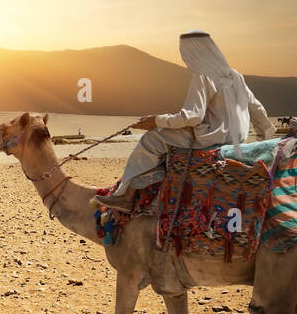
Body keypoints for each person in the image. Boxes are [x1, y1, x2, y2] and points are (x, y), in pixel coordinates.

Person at [93, 30, 276, 212]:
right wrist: (265, 136)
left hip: (209, 139)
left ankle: (126, 196)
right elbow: (256, 107)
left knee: (152, 140)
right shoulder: (235, 75)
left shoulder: (203, 74)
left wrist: (156, 121)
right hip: (237, 140)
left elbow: (192, 116)